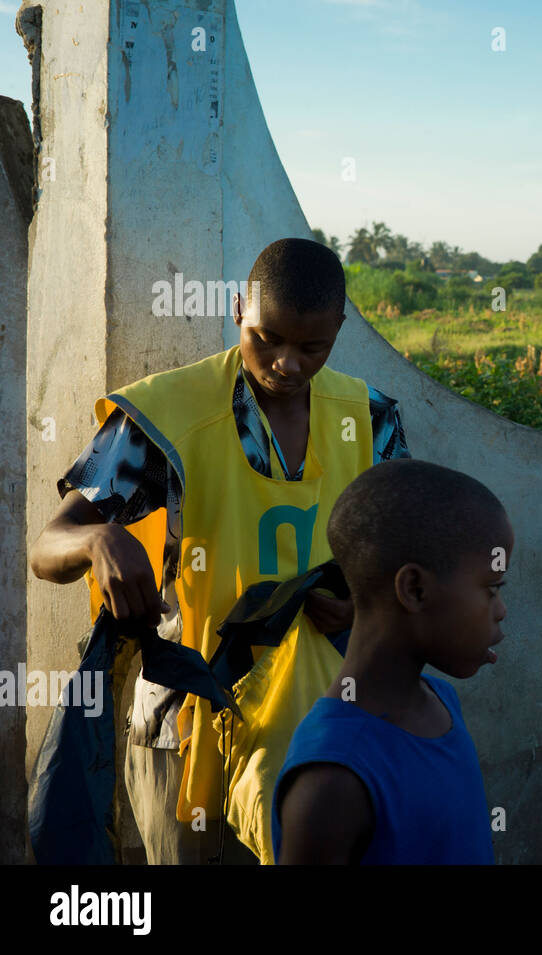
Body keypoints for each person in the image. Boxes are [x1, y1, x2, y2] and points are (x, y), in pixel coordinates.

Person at [29, 237, 411, 864]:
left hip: (323, 714)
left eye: (312, 347)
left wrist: (365, 607)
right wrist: (98, 539)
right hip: (184, 721)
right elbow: (48, 547)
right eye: (267, 339)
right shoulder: (165, 416)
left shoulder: (369, 420)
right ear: (238, 310)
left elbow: (406, 558)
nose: (287, 363)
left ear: (340, 329)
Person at [272, 460, 510, 865]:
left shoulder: (441, 702)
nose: (501, 610)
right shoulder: (333, 780)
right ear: (414, 589)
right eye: (491, 588)